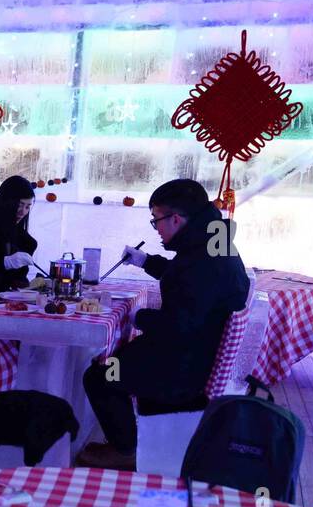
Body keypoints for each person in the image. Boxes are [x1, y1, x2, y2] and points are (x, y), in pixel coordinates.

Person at [78, 179, 250, 471]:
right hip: (191, 352)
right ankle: (131, 440)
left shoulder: (204, 258)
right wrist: (146, 261)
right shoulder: (212, 242)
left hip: (181, 370)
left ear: (176, 219)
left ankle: (125, 451)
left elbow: (179, 323)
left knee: (100, 376)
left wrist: (137, 316)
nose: (155, 228)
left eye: (156, 220)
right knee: (115, 360)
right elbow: (186, 279)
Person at [0, 176, 39, 293]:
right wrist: (4, 262)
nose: (23, 212)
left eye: (27, 206)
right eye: (20, 204)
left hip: (11, 295)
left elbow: (19, 277)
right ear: (7, 201)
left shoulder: (20, 233)